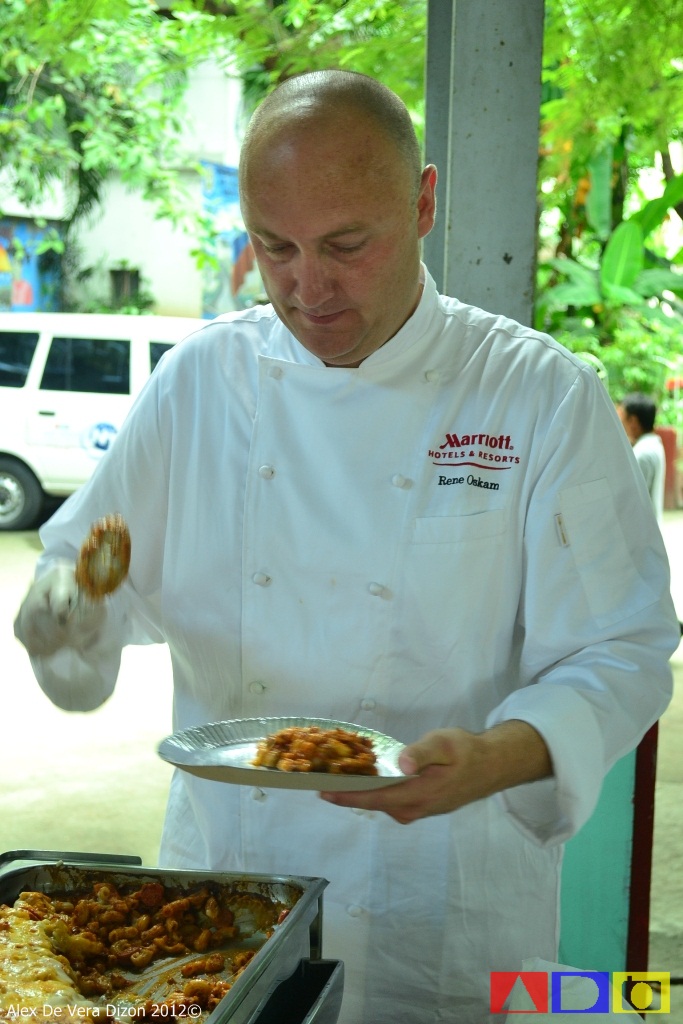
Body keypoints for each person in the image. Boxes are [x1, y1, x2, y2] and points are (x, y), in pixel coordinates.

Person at [13, 71, 680, 1024]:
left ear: (422, 203)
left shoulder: (533, 395)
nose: (306, 287)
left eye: (344, 247)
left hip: (443, 902)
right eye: (273, 247)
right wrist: (59, 616)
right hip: (219, 915)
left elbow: (622, 647)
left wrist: (501, 754)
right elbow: (89, 605)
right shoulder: (201, 382)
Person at [617, 392, 666, 523]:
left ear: (633, 421)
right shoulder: (653, 444)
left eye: (621, 419)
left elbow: (632, 501)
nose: (619, 424)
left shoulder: (642, 454)